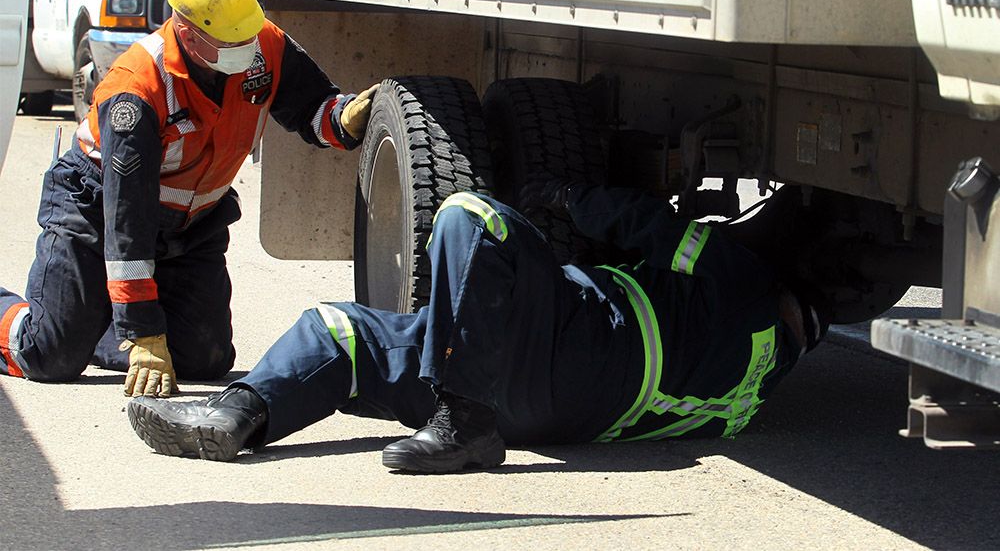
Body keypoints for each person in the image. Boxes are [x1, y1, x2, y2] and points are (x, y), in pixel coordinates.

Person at [127, 180, 831, 473]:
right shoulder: (755, 393)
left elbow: (649, 228)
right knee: (340, 330)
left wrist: (567, 196)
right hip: (555, 413)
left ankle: (463, 422)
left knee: (473, 216)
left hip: (576, 348)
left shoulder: (745, 283)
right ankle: (234, 416)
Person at [0, 0, 377, 398]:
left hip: (192, 225)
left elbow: (313, 108)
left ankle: (100, 326)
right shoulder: (137, 87)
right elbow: (127, 218)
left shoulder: (262, 45)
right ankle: (74, 326)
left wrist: (344, 117)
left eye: (248, 36)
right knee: (50, 355)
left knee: (205, 361)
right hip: (97, 211)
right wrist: (144, 334)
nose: (244, 49)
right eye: (227, 42)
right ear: (185, 30)